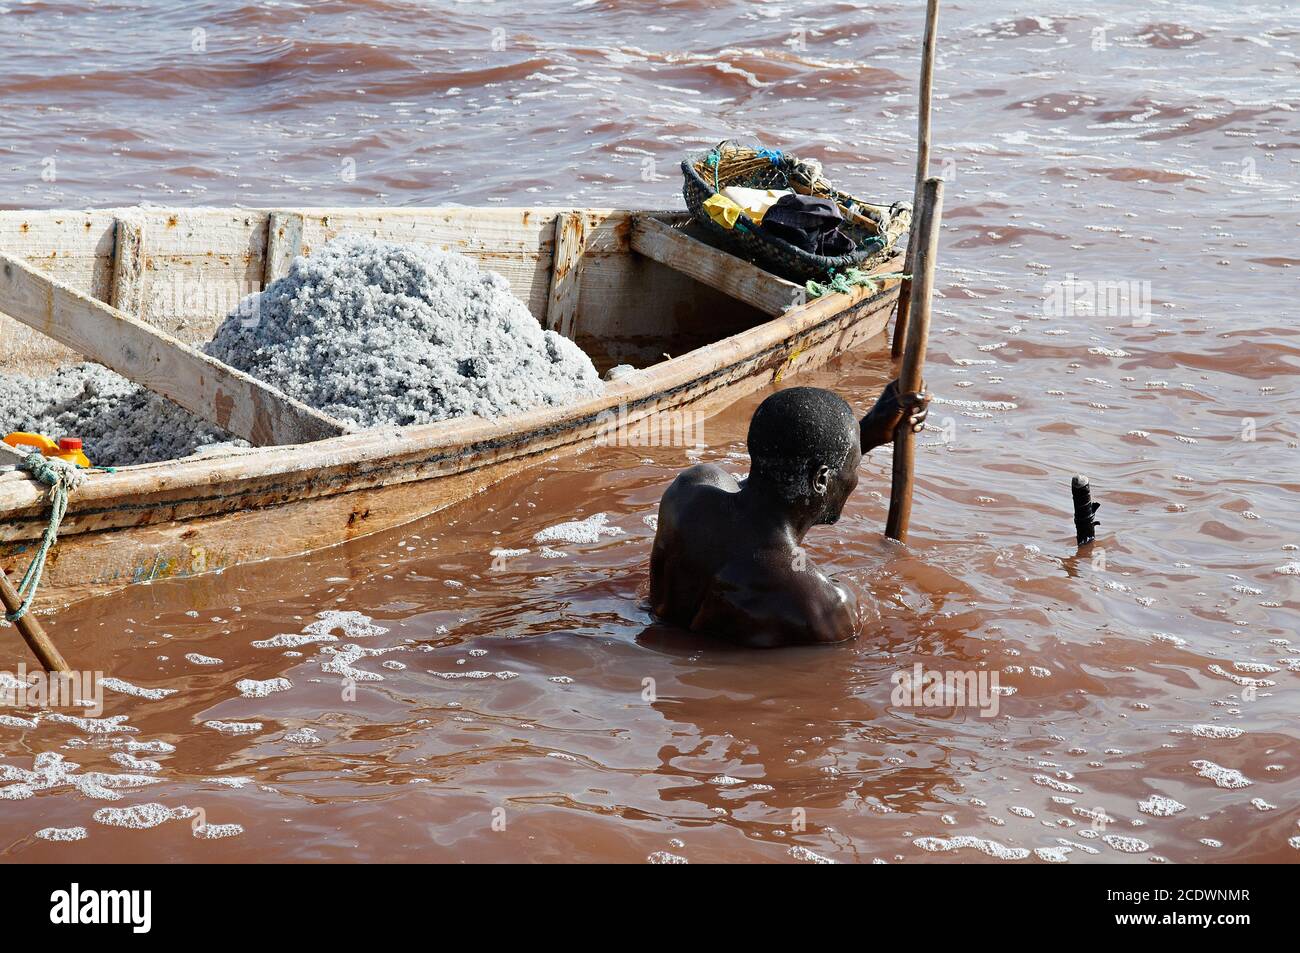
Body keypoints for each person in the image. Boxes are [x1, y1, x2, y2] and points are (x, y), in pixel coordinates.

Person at [648, 380, 928, 648]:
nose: (854, 479)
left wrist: (867, 431)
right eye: (853, 467)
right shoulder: (823, 608)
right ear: (820, 480)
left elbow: (775, 488)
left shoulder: (687, 493)